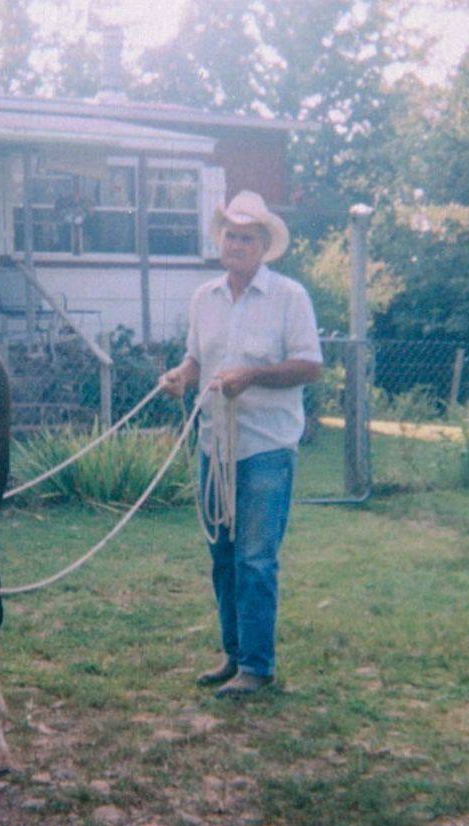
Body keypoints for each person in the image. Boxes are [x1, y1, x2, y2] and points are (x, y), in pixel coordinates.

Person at [159, 190, 323, 698]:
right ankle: (234, 655)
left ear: (263, 245)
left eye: (246, 237)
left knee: (255, 559)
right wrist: (181, 377)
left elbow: (310, 366)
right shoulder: (204, 298)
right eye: (230, 235)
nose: (236, 244)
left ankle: (258, 667)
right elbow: (196, 359)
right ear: (221, 240)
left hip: (265, 446)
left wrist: (251, 376)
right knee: (223, 557)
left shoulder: (289, 297)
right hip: (215, 445)